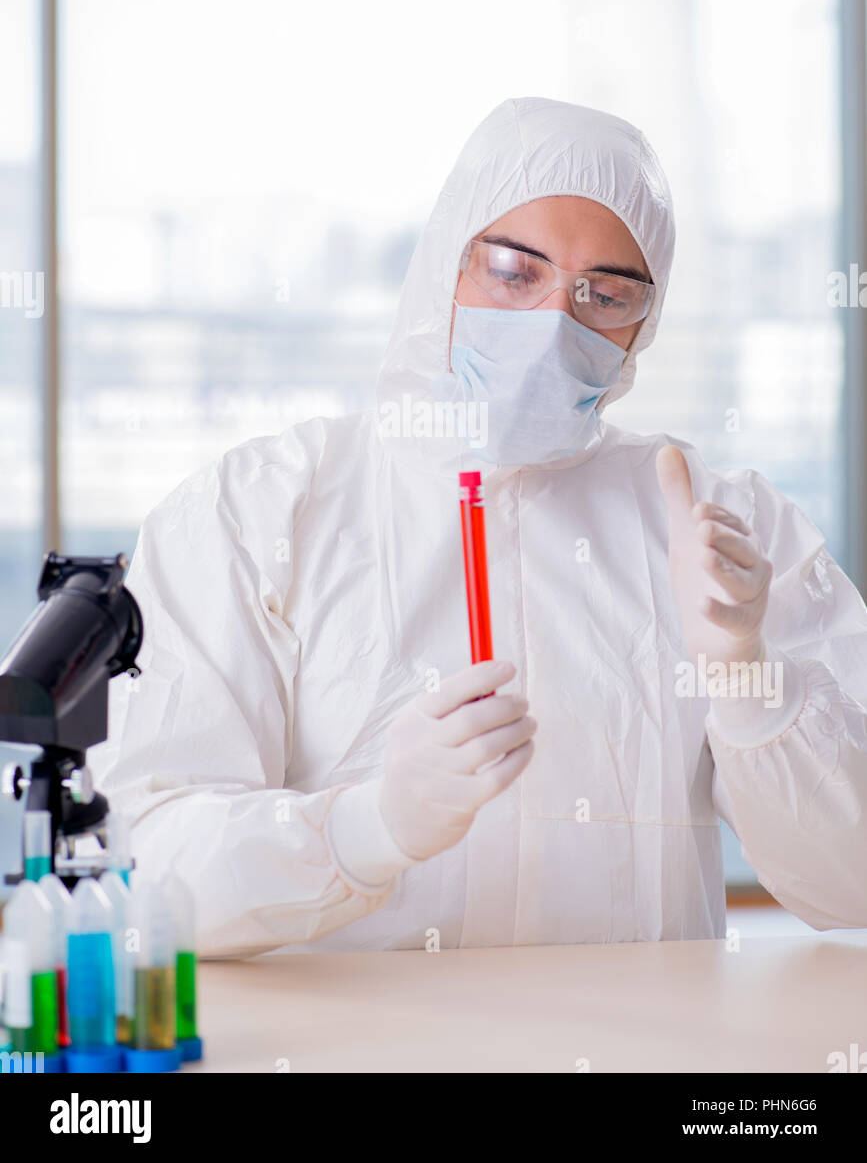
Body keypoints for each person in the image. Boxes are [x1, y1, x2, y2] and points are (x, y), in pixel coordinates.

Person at [89, 97, 867, 958]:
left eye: (604, 294)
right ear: (445, 264)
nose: (551, 325)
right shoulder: (260, 510)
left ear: (642, 323)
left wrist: (751, 680)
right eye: (512, 270)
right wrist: (367, 828)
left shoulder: (723, 529)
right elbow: (145, 871)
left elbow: (850, 884)